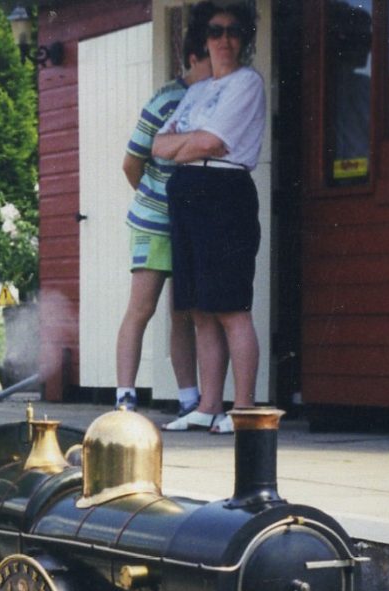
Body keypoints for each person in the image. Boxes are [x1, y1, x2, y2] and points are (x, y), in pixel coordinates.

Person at [152, 1, 265, 435]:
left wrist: (191, 142)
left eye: (233, 31)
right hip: (187, 193)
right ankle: (208, 404)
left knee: (231, 307)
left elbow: (214, 141)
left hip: (224, 192)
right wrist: (192, 143)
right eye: (216, 32)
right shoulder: (197, 91)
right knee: (199, 308)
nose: (224, 39)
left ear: (244, 38)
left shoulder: (247, 83)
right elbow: (160, 146)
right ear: (205, 38)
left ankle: (245, 408)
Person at [113, 21, 212, 416]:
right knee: (142, 306)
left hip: (189, 222)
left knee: (184, 312)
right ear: (193, 59)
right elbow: (130, 162)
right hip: (154, 220)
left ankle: (189, 399)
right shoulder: (165, 100)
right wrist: (155, 199)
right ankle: (124, 397)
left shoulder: (216, 100)